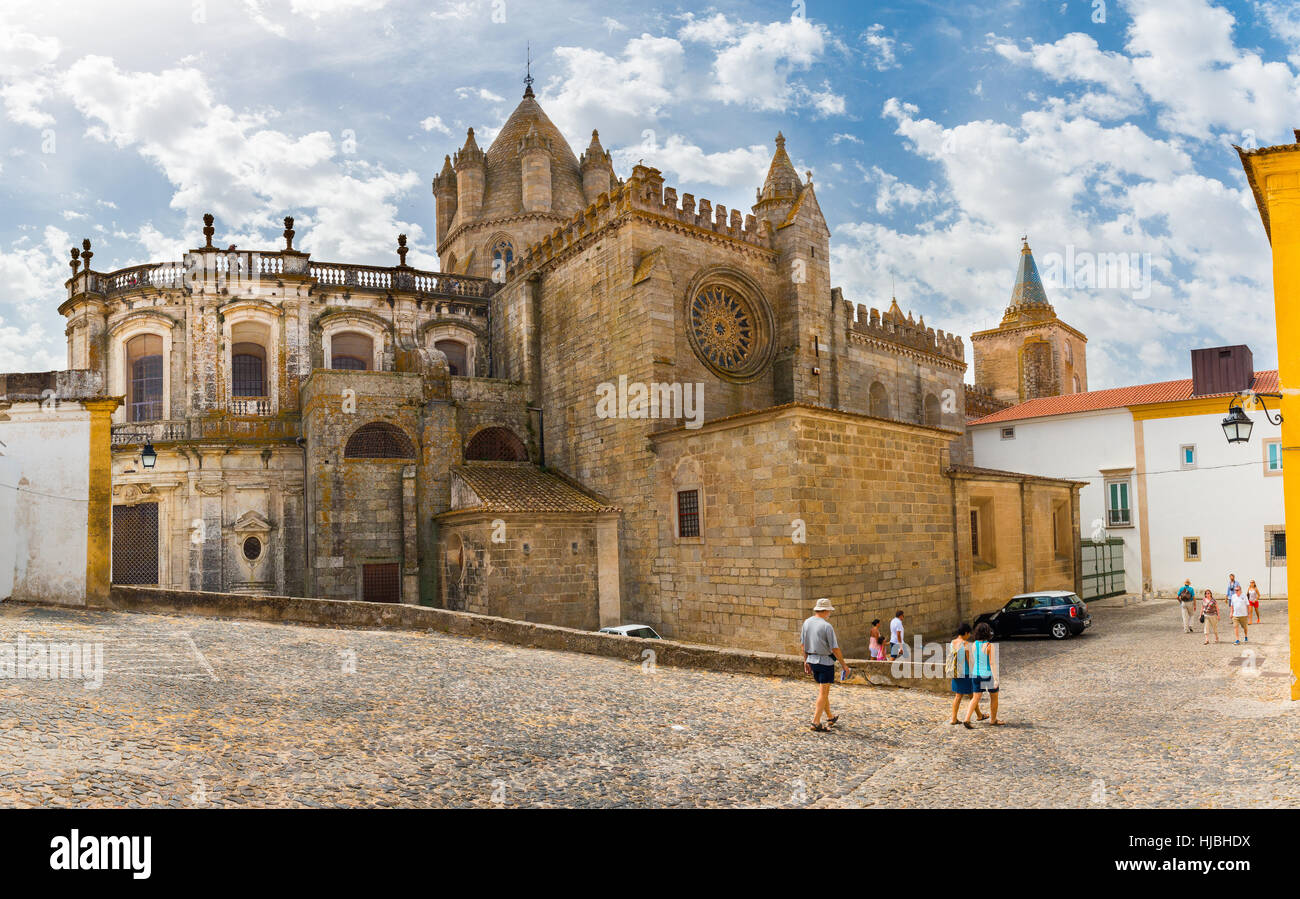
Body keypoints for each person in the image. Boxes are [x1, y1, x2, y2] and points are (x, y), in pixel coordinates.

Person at [800, 598, 850, 732]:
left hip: (812, 659)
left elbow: (803, 644)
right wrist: (844, 665)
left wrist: (805, 661)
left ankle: (830, 717)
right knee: (823, 692)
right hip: (825, 662)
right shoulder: (827, 626)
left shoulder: (807, 622)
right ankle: (815, 721)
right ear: (826, 610)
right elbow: (835, 648)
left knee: (824, 691)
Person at [967, 621, 1004, 726]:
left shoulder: (973, 644)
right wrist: (996, 679)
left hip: (976, 674)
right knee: (994, 697)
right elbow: (992, 663)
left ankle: (966, 719)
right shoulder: (989, 646)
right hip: (988, 675)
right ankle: (993, 720)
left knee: (975, 698)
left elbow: (974, 660)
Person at [946, 623, 974, 727]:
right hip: (965, 673)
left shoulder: (952, 643)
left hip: (956, 672)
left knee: (960, 695)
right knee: (971, 695)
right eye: (969, 633)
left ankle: (954, 718)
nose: (970, 635)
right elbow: (969, 660)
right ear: (966, 633)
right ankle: (977, 716)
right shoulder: (966, 644)